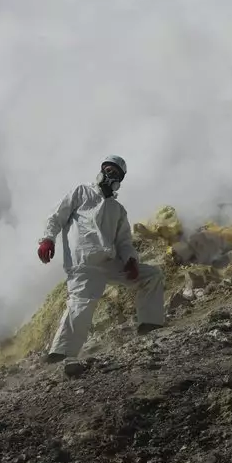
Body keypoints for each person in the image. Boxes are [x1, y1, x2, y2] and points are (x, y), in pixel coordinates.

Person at [36, 155, 165, 375]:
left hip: (109, 262)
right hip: (83, 264)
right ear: (100, 170)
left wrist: (131, 260)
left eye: (115, 172)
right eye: (107, 169)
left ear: (120, 180)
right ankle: (61, 354)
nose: (110, 174)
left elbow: (124, 241)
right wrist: (48, 239)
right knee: (81, 305)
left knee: (152, 275)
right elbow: (56, 216)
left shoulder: (118, 210)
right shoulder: (81, 192)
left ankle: (150, 325)